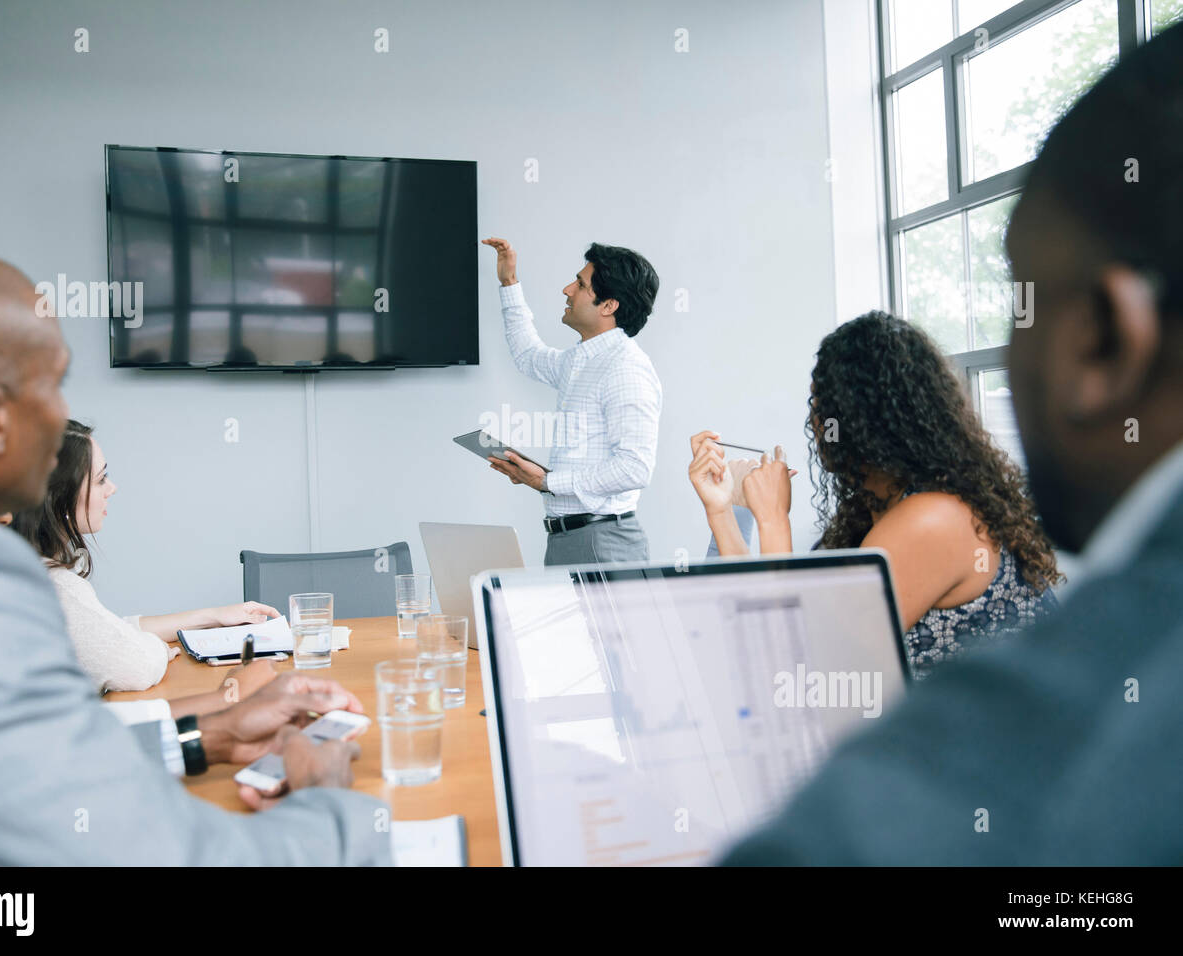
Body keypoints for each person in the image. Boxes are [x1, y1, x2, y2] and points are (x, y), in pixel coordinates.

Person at [722, 21, 1183, 864]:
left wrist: (769, 524)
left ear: (1106, 338)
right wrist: (731, 516)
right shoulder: (926, 509)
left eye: (1021, 301)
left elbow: (798, 678)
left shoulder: (936, 521)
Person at [0, 240, 389, 865]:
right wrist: (334, 804)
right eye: (54, 383)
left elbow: (22, 771)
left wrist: (213, 732)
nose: (63, 413)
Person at [689, 312, 1061, 677]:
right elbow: (763, 626)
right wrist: (721, 510)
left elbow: (803, 672)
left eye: (820, 407)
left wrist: (773, 521)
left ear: (861, 420)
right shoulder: (880, 508)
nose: (816, 424)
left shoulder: (931, 519)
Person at [9, 419, 279, 692]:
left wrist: (214, 615)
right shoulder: (54, 588)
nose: (111, 488)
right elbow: (135, 665)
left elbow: (109, 631)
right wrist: (157, 649)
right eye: (101, 479)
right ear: (59, 498)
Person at [481, 237, 661, 566]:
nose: (567, 289)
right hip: (567, 538)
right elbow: (528, 355)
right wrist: (508, 282)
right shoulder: (581, 361)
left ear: (608, 306)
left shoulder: (625, 369)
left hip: (602, 543)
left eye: (580, 284)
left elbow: (635, 468)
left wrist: (547, 481)